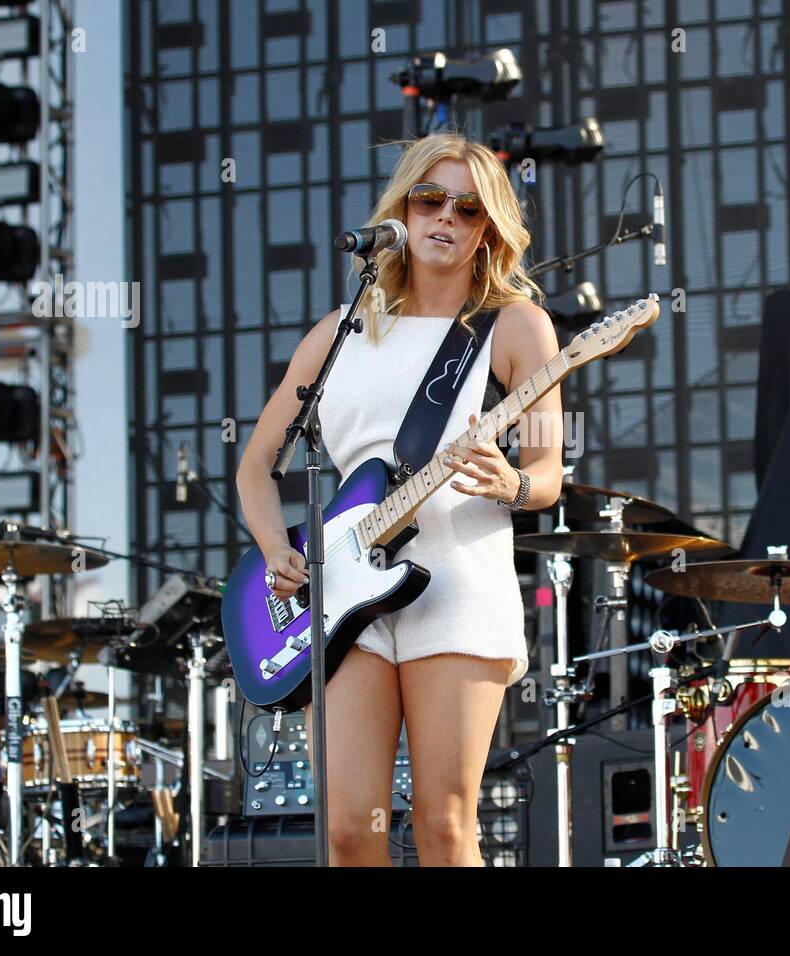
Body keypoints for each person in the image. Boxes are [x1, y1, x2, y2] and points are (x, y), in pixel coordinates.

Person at [236, 133, 564, 866]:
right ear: (403, 209)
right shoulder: (338, 334)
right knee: (352, 830)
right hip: (344, 593)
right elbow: (257, 466)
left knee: (445, 827)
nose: (446, 216)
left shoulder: (516, 326)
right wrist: (274, 551)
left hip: (455, 584)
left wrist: (511, 482)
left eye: (469, 208)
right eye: (430, 198)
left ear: (490, 229)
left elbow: (548, 475)